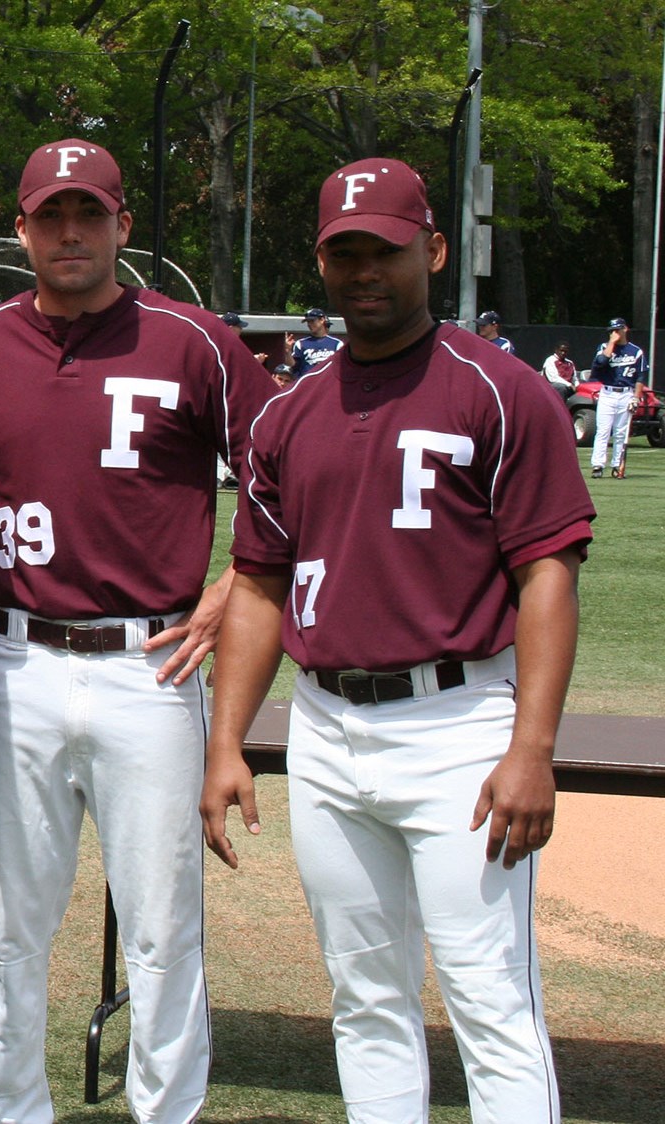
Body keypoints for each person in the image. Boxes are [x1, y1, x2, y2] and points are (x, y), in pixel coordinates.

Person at [203, 156, 592, 1124]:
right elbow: (255, 585)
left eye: (380, 249)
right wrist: (223, 744)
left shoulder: (498, 390)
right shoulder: (287, 412)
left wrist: (530, 747)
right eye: (342, 252)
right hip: (328, 727)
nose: (360, 271)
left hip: (456, 723)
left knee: (488, 995)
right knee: (364, 998)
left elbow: (546, 572)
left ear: (430, 248)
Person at [0, 138, 275, 1124]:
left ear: (122, 225)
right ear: (21, 230)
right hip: (14, 659)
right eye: (49, 216)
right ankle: (9, 1108)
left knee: (162, 923)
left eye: (88, 213)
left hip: (150, 661)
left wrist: (233, 586)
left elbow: (291, 473)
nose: (69, 232)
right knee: (9, 923)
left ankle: (163, 1111)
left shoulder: (193, 340)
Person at [590, 316, 647, 478]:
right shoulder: (604, 347)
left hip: (626, 394)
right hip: (607, 392)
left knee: (621, 432)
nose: (614, 333)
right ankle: (598, 465)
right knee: (603, 431)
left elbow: (640, 377)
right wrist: (612, 343)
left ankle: (617, 465)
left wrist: (636, 398)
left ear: (625, 329)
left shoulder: (636, 351)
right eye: (611, 331)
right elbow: (600, 363)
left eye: (617, 330)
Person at [291, 307, 344, 376]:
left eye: (312, 321)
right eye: (308, 322)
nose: (309, 324)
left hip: (328, 383)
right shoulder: (301, 343)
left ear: (322, 320)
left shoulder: (337, 344)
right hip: (308, 383)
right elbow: (293, 366)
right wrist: (287, 352)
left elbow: (342, 367)